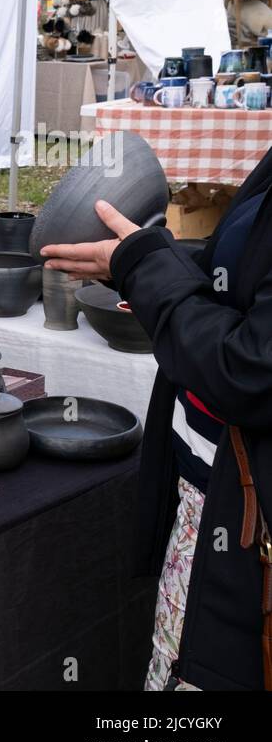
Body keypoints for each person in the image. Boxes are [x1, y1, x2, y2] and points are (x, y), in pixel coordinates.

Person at [43, 178, 272, 691]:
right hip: (215, 501)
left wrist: (146, 268)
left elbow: (251, 371)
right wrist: (151, 257)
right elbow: (238, 278)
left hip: (244, 521)